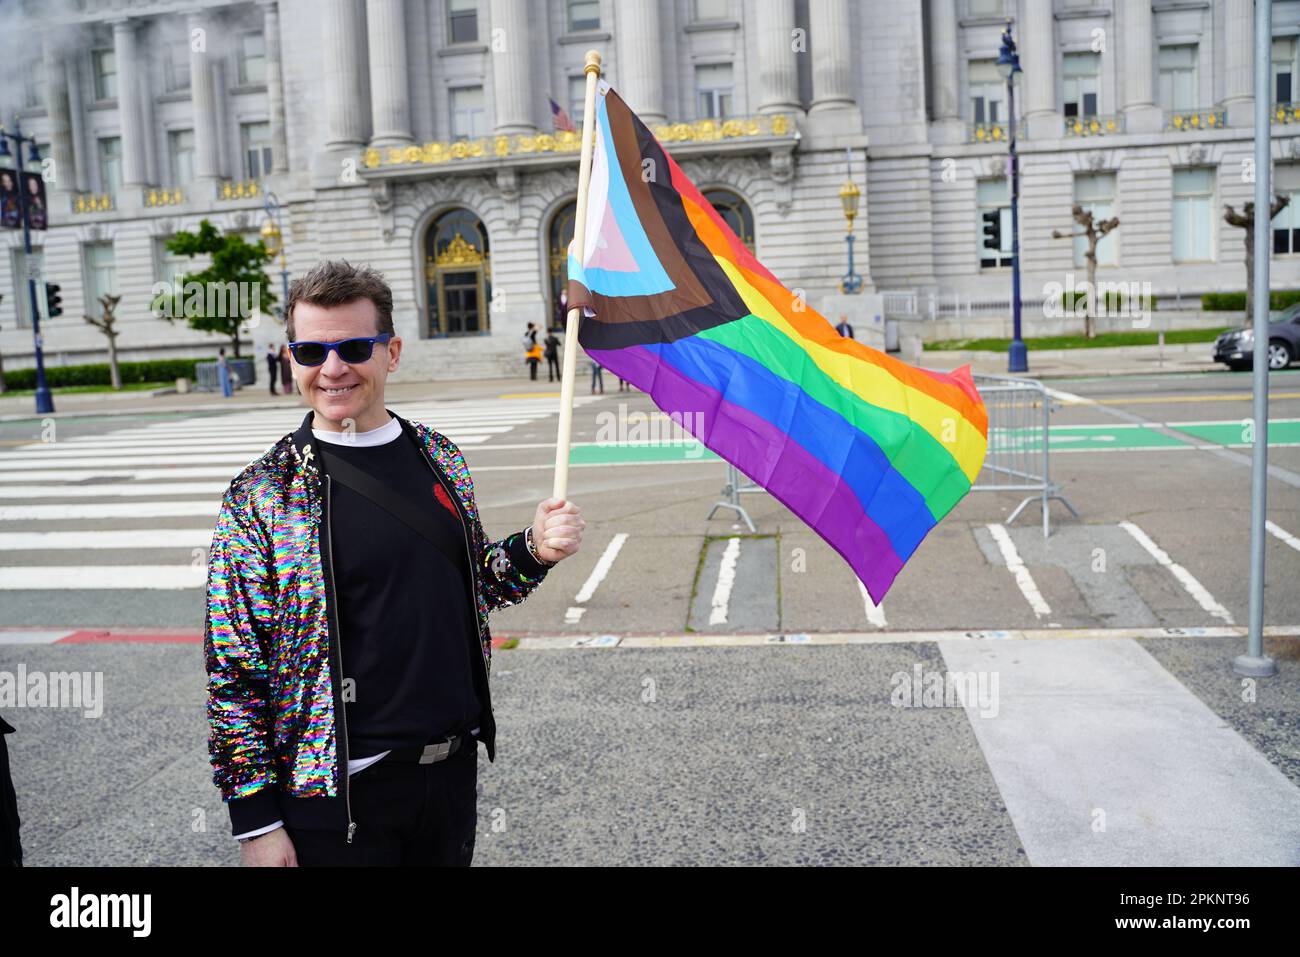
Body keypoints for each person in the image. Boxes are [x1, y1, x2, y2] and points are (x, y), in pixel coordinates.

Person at [204, 260, 585, 867]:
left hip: (449, 772)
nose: (332, 369)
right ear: (292, 357)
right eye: (310, 351)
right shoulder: (263, 492)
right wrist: (257, 822)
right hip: (338, 795)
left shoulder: (438, 455)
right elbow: (234, 669)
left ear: (392, 352)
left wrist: (533, 550)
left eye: (353, 347)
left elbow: (472, 586)